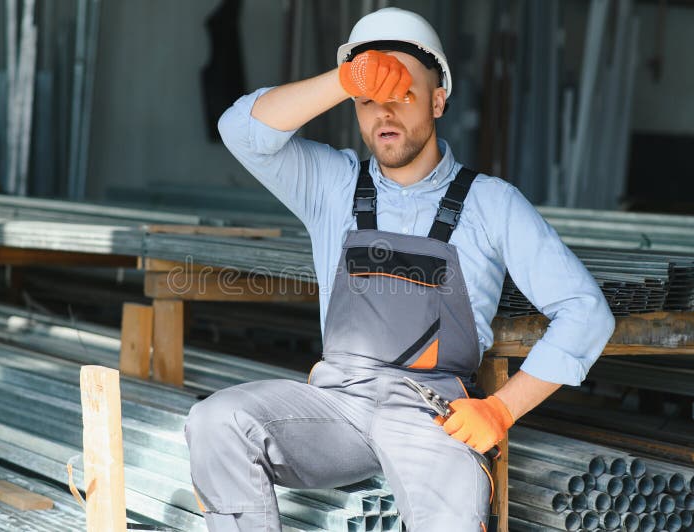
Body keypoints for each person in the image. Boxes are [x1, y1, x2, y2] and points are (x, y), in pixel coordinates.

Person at [185, 7, 615, 531]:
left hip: (431, 416)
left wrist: (501, 410)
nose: (384, 113)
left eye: (403, 94)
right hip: (336, 409)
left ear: (438, 100)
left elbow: (585, 311)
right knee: (216, 421)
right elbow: (240, 129)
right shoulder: (331, 184)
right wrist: (345, 78)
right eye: (368, 100)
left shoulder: (492, 204)